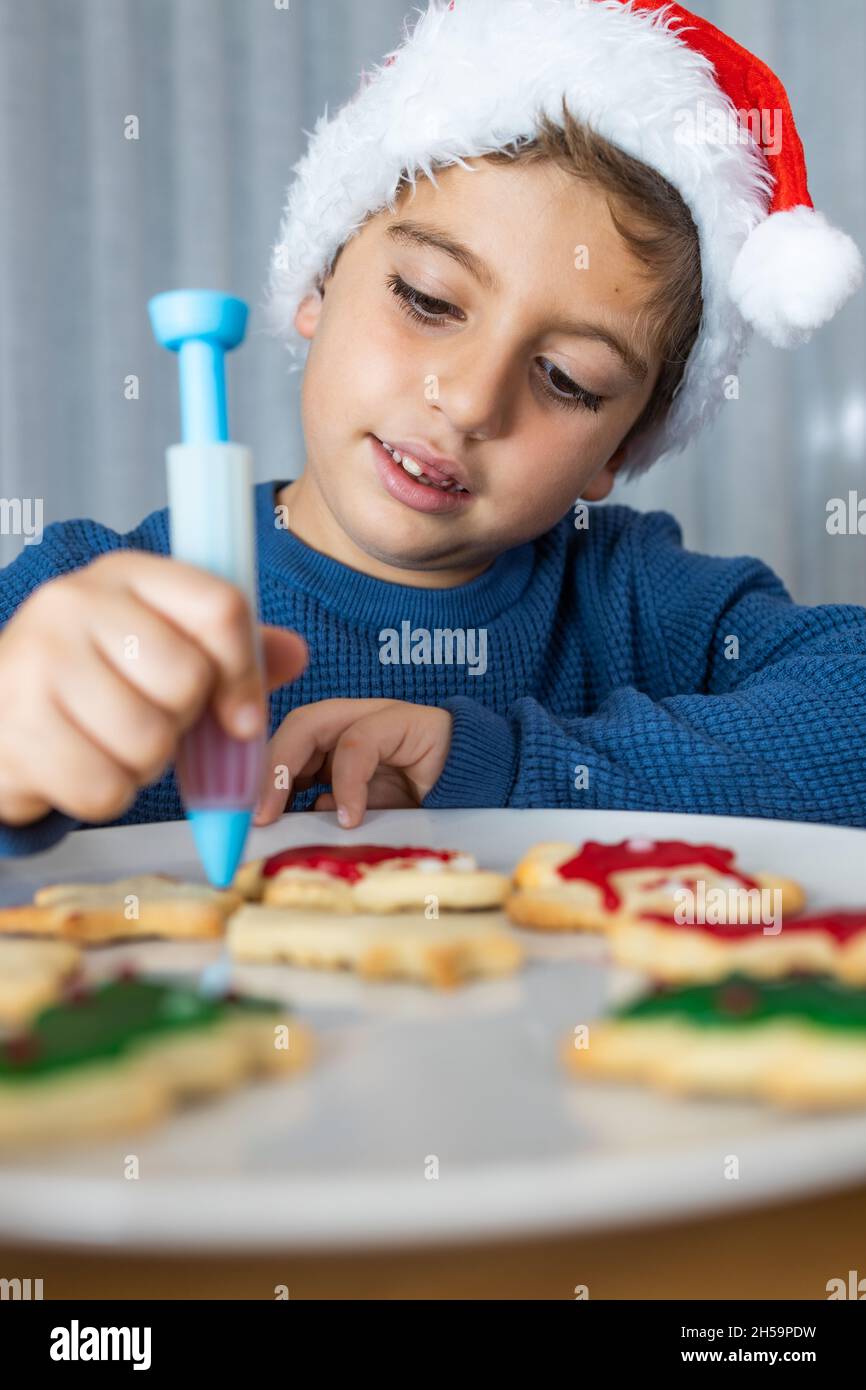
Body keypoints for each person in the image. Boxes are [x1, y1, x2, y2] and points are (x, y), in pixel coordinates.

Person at [0, 0, 863, 859]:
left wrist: (514, 766)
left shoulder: (636, 603)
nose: (471, 402)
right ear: (320, 279)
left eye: (567, 379)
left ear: (624, 448)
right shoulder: (77, 599)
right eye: (428, 299)